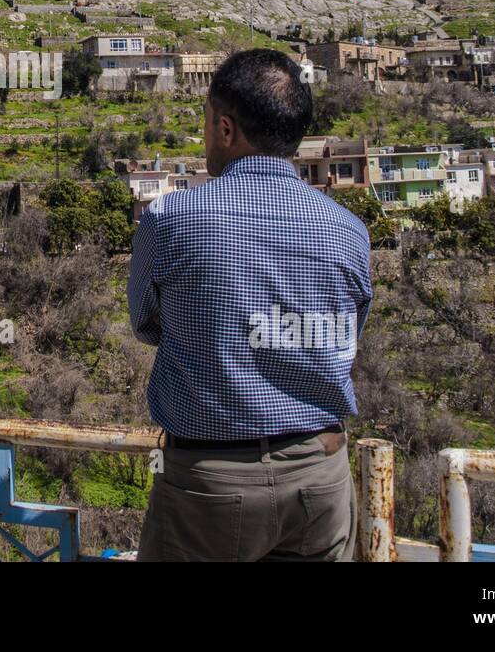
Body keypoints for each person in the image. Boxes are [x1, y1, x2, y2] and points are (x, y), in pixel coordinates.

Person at [128, 49, 372, 561]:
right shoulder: (349, 231)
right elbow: (346, 338)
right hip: (321, 476)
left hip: (209, 486)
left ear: (225, 127)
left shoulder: (172, 218)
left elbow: (147, 325)